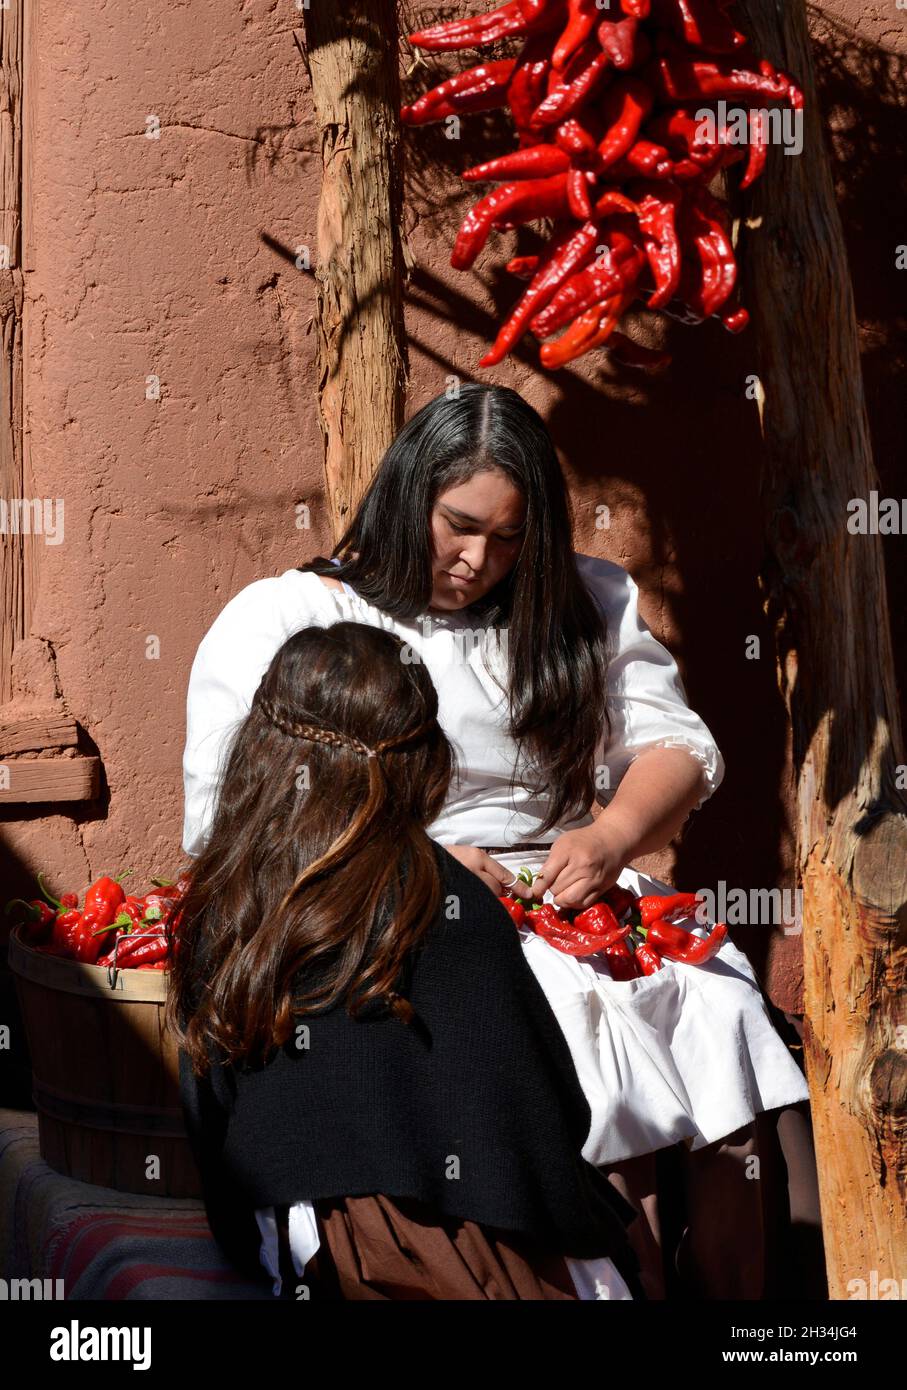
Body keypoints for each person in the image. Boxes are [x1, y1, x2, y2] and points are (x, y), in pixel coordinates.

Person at [181, 383, 819, 1299]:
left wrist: (609, 836)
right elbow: (230, 827)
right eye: (458, 525)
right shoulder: (289, 618)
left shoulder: (583, 601)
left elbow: (676, 746)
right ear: (408, 495)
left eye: (510, 537)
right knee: (570, 1042)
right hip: (393, 916)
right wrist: (419, 871)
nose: (478, 560)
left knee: (715, 1010)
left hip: (574, 889)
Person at [169, 620, 645, 1301]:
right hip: (471, 1249)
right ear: (422, 760)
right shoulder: (444, 902)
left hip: (303, 1245)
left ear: (259, 749)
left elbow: (209, 1118)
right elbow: (549, 1110)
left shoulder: (225, 899)